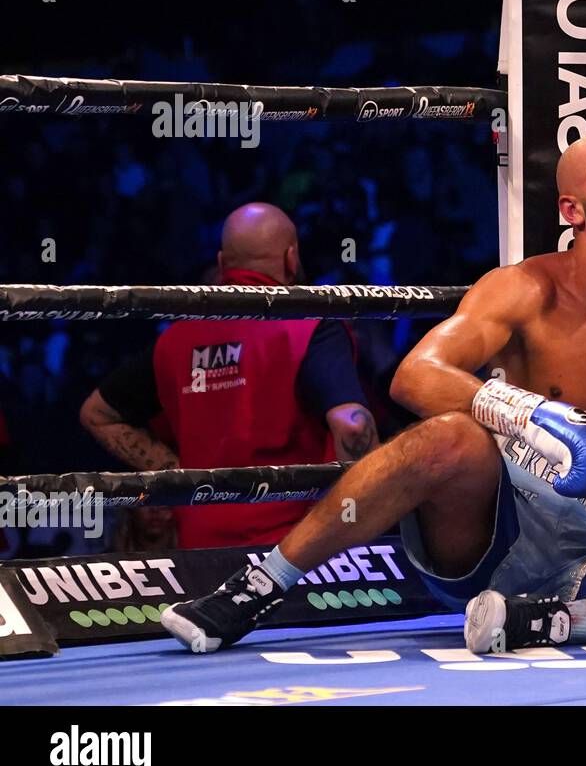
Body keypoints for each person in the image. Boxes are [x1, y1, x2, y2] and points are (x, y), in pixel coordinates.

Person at [161, 132, 586, 656]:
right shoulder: (524, 288)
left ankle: (543, 623)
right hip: (492, 528)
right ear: (572, 210)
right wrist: (535, 414)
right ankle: (256, 589)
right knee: (449, 436)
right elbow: (416, 373)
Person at [80, 203, 379, 549]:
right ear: (291, 259)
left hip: (203, 550)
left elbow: (96, 414)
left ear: (223, 264)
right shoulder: (309, 324)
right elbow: (353, 425)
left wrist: (179, 470)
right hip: (298, 553)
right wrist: (357, 520)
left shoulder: (176, 339)